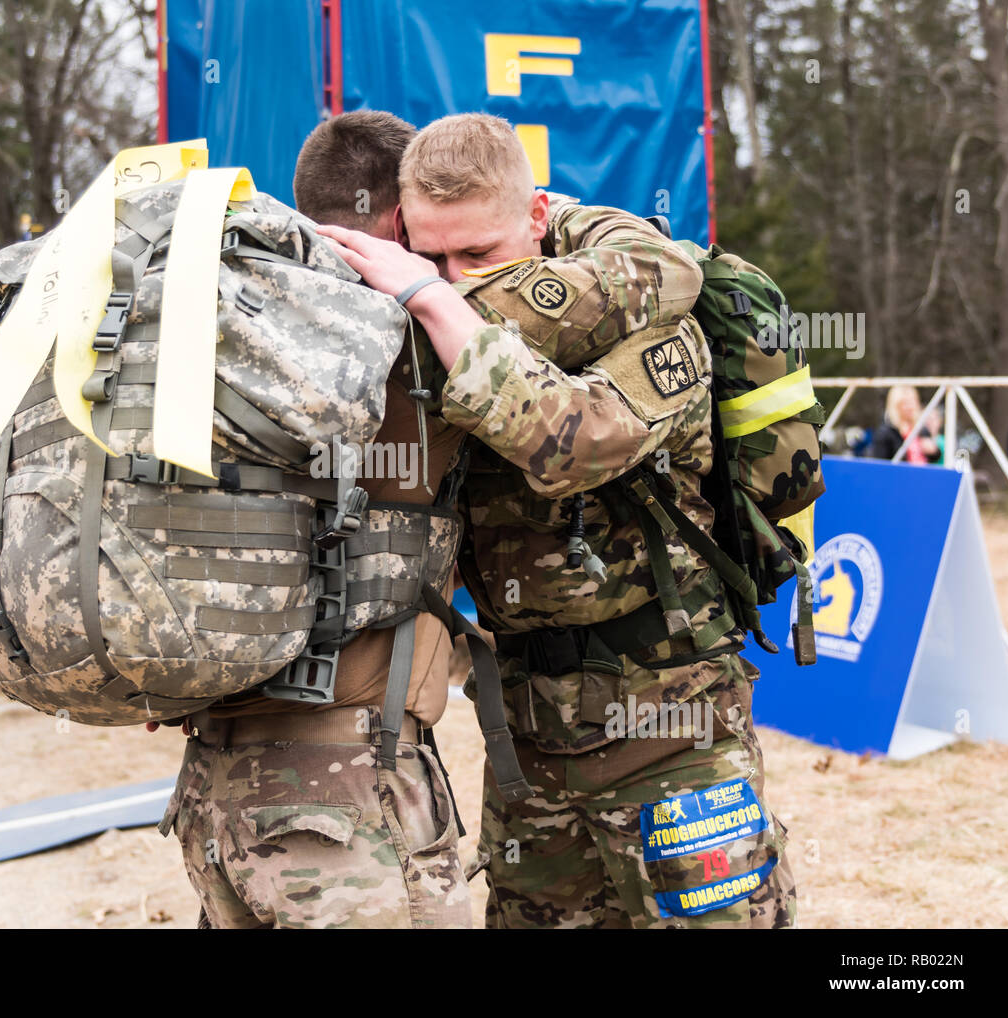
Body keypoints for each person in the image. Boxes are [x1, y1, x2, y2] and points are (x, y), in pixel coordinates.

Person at [320, 112, 797, 929]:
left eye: (480, 255)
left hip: (671, 735)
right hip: (529, 746)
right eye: (431, 256)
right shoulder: (423, 349)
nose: (455, 278)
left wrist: (436, 300)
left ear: (538, 220)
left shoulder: (650, 326)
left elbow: (572, 440)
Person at [156, 111, 474, 929]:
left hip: (212, 789)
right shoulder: (411, 346)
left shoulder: (219, 343)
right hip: (347, 799)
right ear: (400, 217)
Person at [868, 386, 939, 463]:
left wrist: (933, 451)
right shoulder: (886, 433)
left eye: (912, 402)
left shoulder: (922, 430)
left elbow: (935, 456)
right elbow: (880, 461)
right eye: (905, 403)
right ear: (895, 406)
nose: (910, 407)